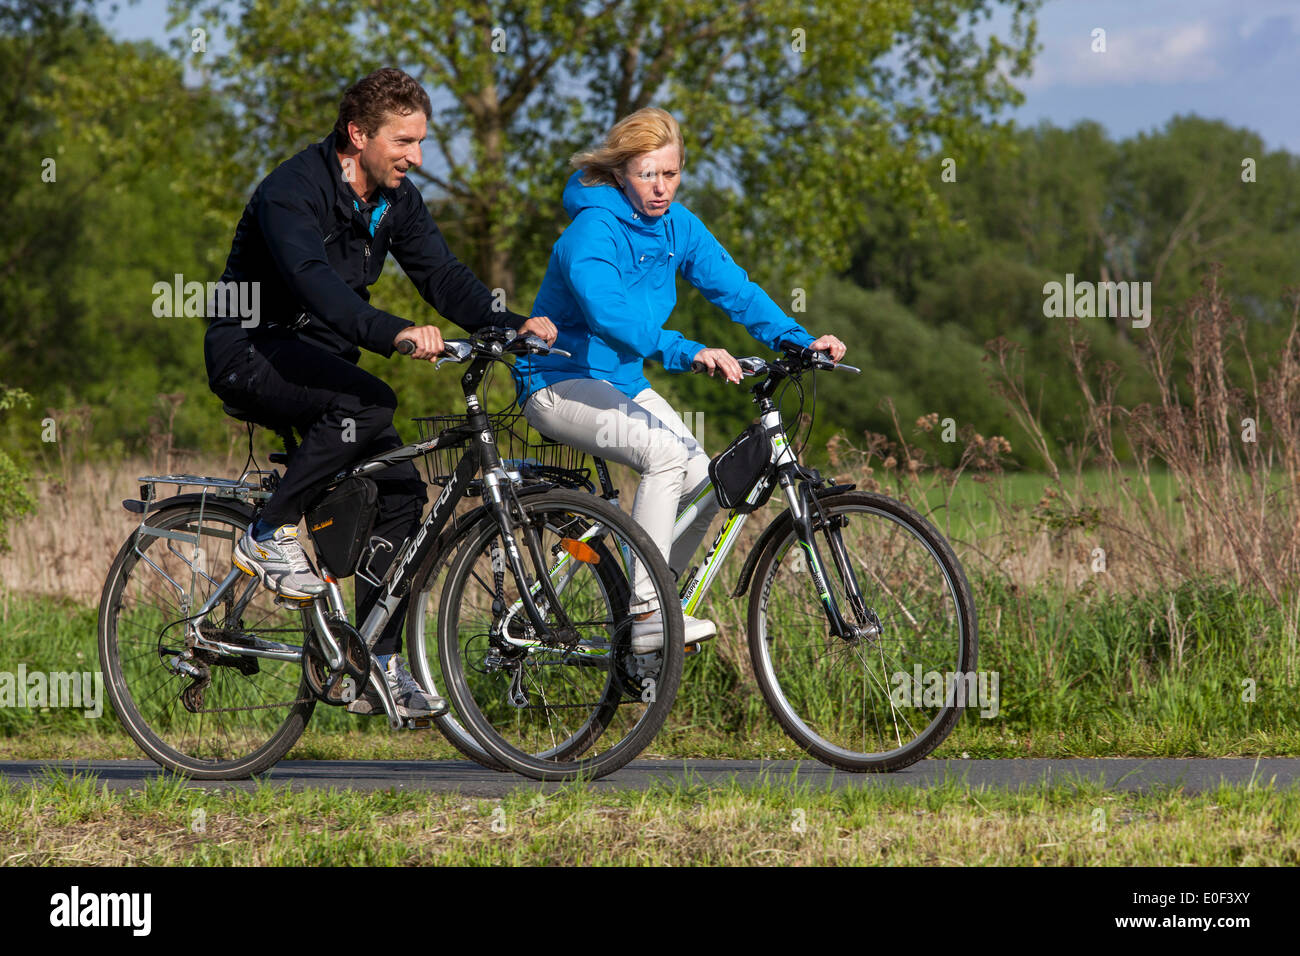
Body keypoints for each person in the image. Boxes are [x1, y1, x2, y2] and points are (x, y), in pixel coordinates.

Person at [202, 68, 556, 715]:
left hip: (319, 358)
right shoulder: (292, 191)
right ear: (358, 133)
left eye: (421, 142)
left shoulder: (395, 200)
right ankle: (269, 529)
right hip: (249, 347)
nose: (416, 157)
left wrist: (507, 326)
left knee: (399, 491)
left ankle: (375, 659)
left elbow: (443, 276)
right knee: (370, 401)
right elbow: (314, 284)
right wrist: (393, 333)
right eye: (404, 142)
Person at [516, 107, 846, 653]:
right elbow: (609, 316)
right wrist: (685, 350)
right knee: (666, 456)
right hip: (557, 381)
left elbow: (733, 289)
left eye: (670, 174)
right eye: (647, 174)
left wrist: (795, 338)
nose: (660, 187)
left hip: (619, 382)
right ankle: (649, 613)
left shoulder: (677, 225)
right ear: (621, 171)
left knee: (707, 483)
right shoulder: (591, 230)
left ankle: (651, 608)